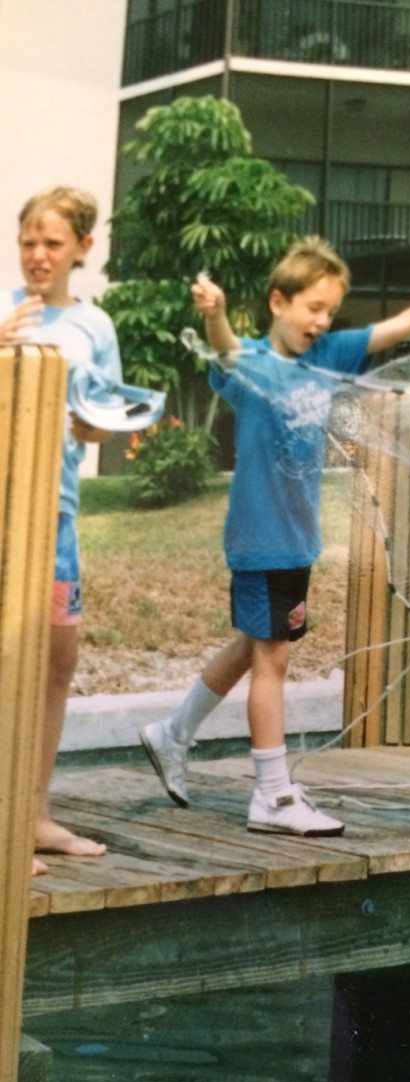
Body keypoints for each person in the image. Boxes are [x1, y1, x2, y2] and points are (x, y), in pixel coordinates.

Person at [140, 235, 410, 836]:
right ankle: (273, 796)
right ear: (278, 301)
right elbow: (225, 347)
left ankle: (173, 732)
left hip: (296, 540)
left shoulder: (331, 354)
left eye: (331, 310)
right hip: (261, 540)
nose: (322, 320)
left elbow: (398, 326)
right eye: (313, 307)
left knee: (256, 642)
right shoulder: (253, 361)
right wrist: (214, 314)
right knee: (271, 660)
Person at [0, 187, 120, 875]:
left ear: (82, 247)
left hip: (60, 513)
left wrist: (92, 423)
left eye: (52, 243)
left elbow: (103, 418)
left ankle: (33, 814)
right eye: (28, 242)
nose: (39, 255)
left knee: (56, 658)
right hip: (4, 510)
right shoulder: (5, 310)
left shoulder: (95, 327)